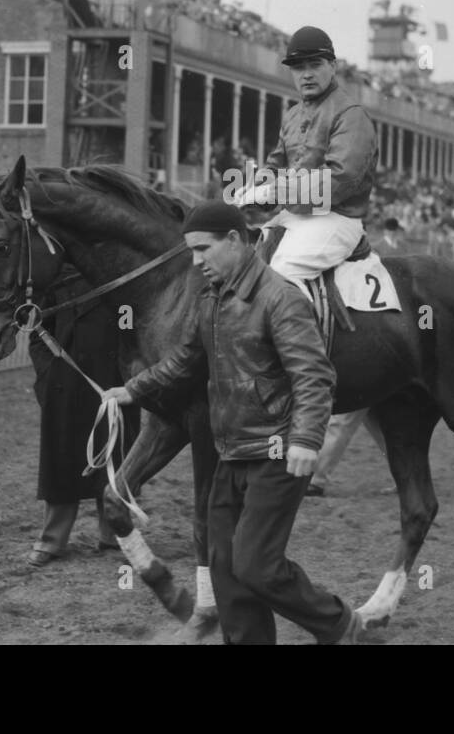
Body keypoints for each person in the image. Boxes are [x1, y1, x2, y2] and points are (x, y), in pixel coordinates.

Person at [101, 201, 361, 644]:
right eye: (192, 252)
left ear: (236, 241)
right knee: (225, 571)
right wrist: (135, 389)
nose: (197, 262)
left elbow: (315, 376)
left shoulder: (282, 299)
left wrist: (305, 439)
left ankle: (339, 624)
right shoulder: (211, 298)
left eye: (204, 249)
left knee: (256, 566)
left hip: (277, 453)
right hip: (231, 452)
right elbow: (186, 359)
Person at [233, 26, 378, 321]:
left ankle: (303, 361)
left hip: (337, 218)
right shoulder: (292, 114)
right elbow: (275, 164)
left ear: (333, 67)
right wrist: (252, 188)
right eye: (299, 67)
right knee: (240, 261)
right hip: (297, 215)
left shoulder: (351, 114)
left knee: (281, 274)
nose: (306, 74)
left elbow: (339, 179)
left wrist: (275, 193)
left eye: (315, 65)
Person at [26, 267, 135, 565]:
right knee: (61, 462)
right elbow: (38, 331)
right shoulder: (56, 278)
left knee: (114, 458)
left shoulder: (119, 273)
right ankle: (52, 540)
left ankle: (114, 534)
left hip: (111, 384)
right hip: (65, 386)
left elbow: (132, 328)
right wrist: (47, 376)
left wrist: (129, 379)